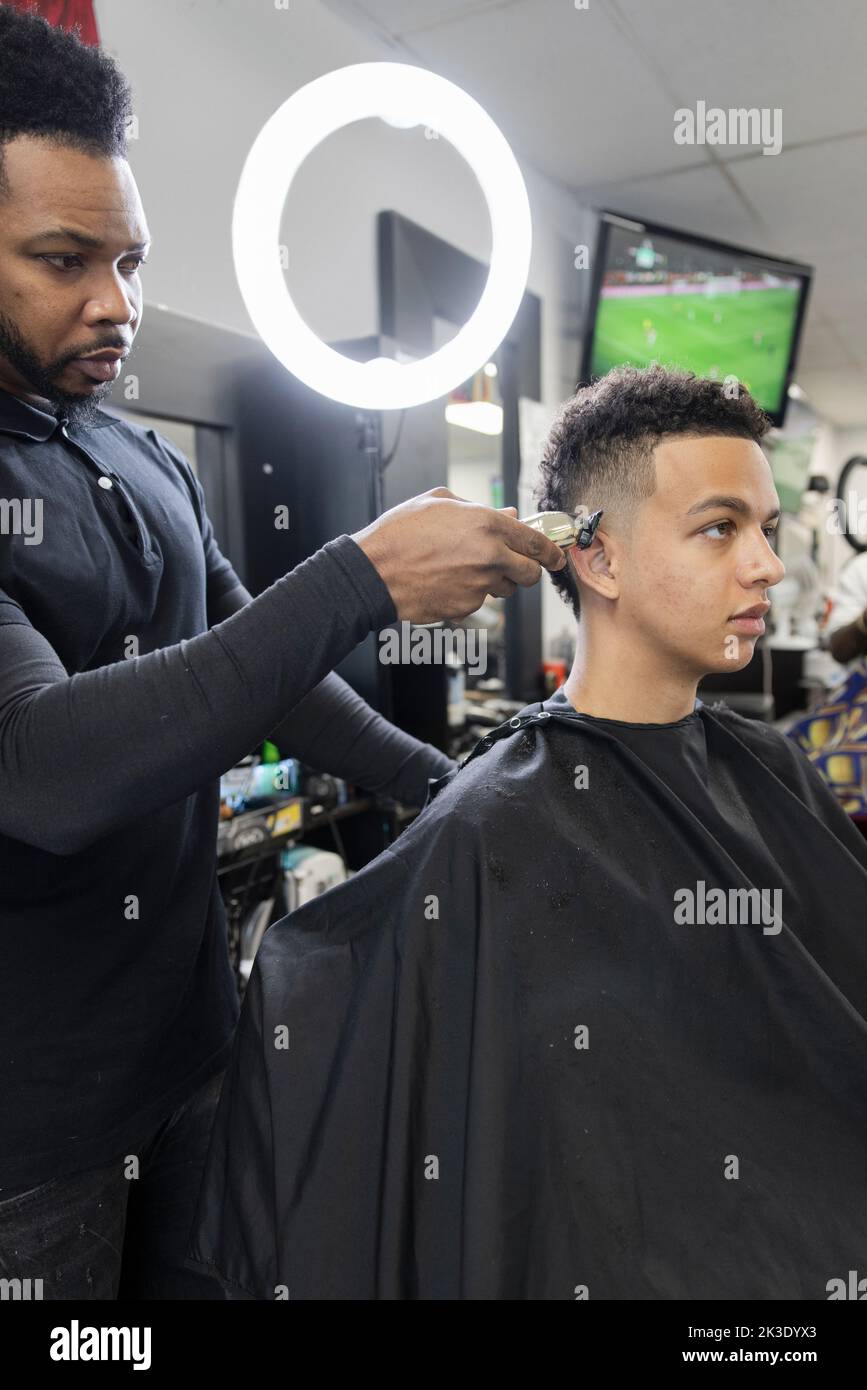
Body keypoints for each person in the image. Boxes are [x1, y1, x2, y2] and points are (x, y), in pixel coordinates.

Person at [0, 8, 566, 1300]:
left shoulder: (128, 448)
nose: (117, 303)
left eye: (132, 260)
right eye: (63, 260)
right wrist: (360, 575)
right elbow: (39, 769)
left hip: (192, 1048)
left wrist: (438, 780)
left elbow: (257, 665)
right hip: (30, 1138)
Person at [189, 364, 867, 1301]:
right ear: (596, 558)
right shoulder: (487, 832)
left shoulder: (776, 773)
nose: (764, 565)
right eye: (719, 529)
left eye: (766, 529)